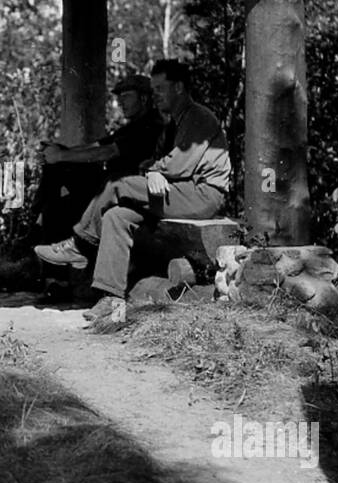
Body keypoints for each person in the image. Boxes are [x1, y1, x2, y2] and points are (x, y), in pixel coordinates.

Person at [33, 60, 231, 322]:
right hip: (182, 189)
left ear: (179, 88)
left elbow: (179, 164)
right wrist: (154, 168)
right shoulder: (175, 121)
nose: (156, 94)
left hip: (202, 193)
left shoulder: (197, 116)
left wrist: (155, 170)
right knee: (117, 216)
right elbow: (157, 162)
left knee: (118, 183)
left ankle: (79, 244)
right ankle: (111, 301)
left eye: (161, 88)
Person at [31, 73, 164, 244]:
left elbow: (107, 152)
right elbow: (95, 146)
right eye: (120, 97)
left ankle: (36, 217)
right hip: (107, 183)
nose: (121, 102)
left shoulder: (149, 126)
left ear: (144, 98)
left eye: (127, 96)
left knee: (56, 207)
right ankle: (38, 215)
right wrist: (59, 151)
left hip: (119, 191)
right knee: (58, 178)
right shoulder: (132, 126)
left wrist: (61, 156)